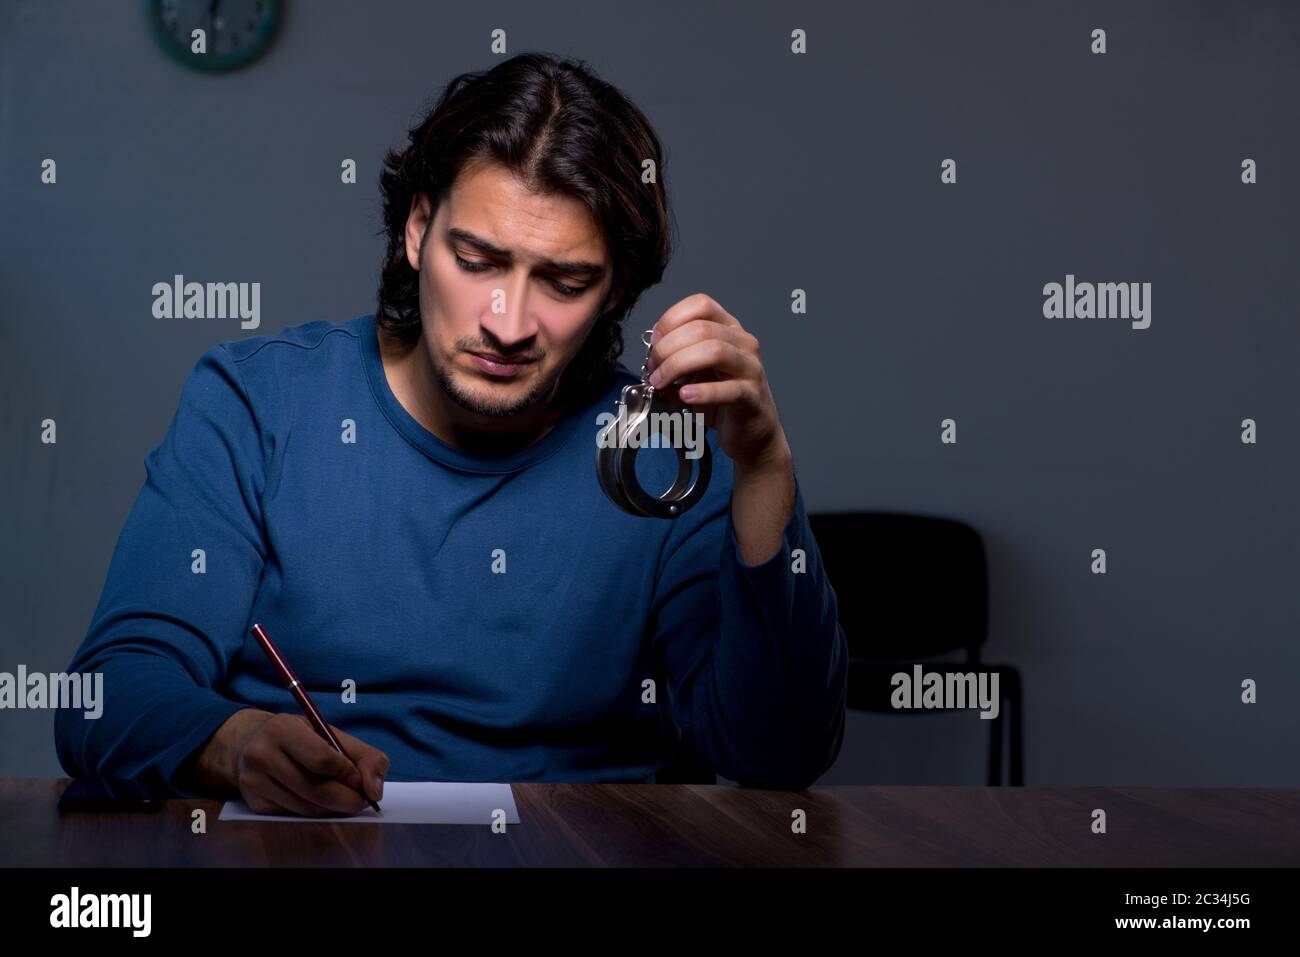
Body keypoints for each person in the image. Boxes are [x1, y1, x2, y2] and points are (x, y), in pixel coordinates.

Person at [55, 53, 848, 816]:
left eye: (564, 282)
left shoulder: (657, 450)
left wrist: (764, 467)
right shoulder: (257, 401)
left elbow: (777, 755)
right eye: (476, 260)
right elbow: (107, 697)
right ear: (417, 232)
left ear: (615, 295)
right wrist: (238, 742)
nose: (507, 324)